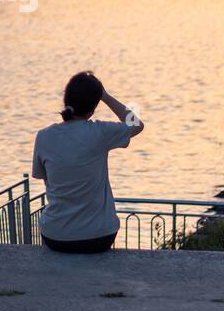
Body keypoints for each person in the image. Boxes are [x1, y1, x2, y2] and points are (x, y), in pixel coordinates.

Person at [31, 71, 144, 254]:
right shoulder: (100, 133)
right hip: (99, 237)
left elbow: (46, 181)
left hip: (57, 236)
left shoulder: (44, 137)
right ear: (93, 107)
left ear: (66, 100)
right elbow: (136, 124)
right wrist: (105, 96)